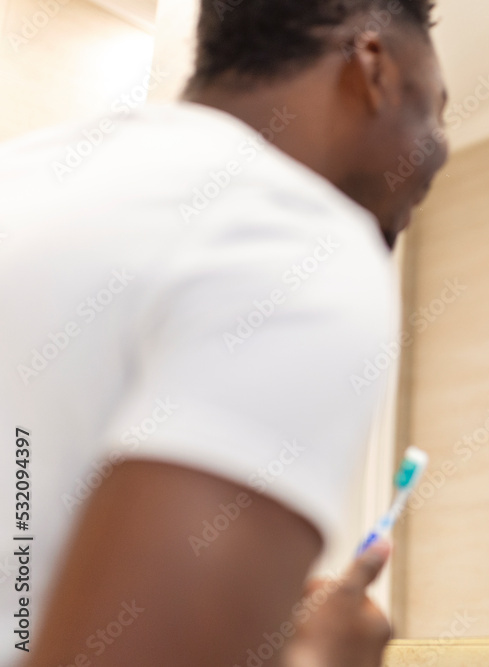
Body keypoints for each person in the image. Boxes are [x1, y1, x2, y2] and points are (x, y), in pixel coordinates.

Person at [0, 1, 447, 665]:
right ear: (373, 68)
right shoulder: (297, 238)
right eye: (436, 109)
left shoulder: (25, 172)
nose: (442, 148)